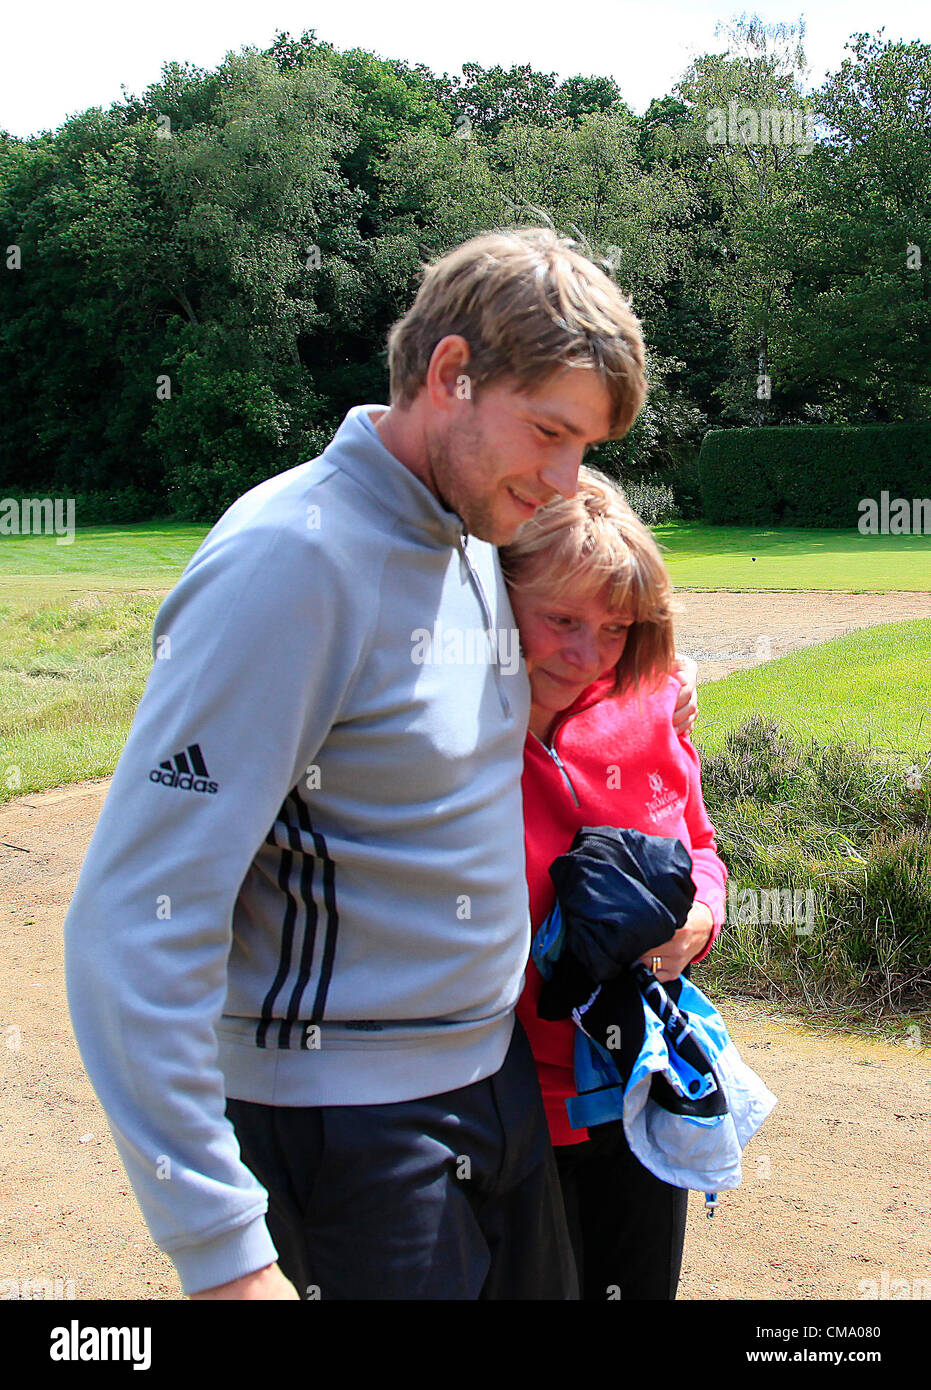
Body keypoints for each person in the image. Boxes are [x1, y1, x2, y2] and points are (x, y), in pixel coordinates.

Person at [62, 226, 693, 1300]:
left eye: (582, 448)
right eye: (547, 431)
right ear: (450, 374)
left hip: (490, 1090)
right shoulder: (292, 558)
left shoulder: (472, 540)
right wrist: (221, 1251)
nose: (562, 480)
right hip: (342, 1124)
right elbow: (136, 915)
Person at [499, 464, 728, 1300]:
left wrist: (700, 913)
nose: (584, 653)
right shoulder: (437, 726)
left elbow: (700, 843)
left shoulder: (651, 701)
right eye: (559, 618)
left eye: (616, 628)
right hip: (491, 1095)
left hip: (635, 1088)